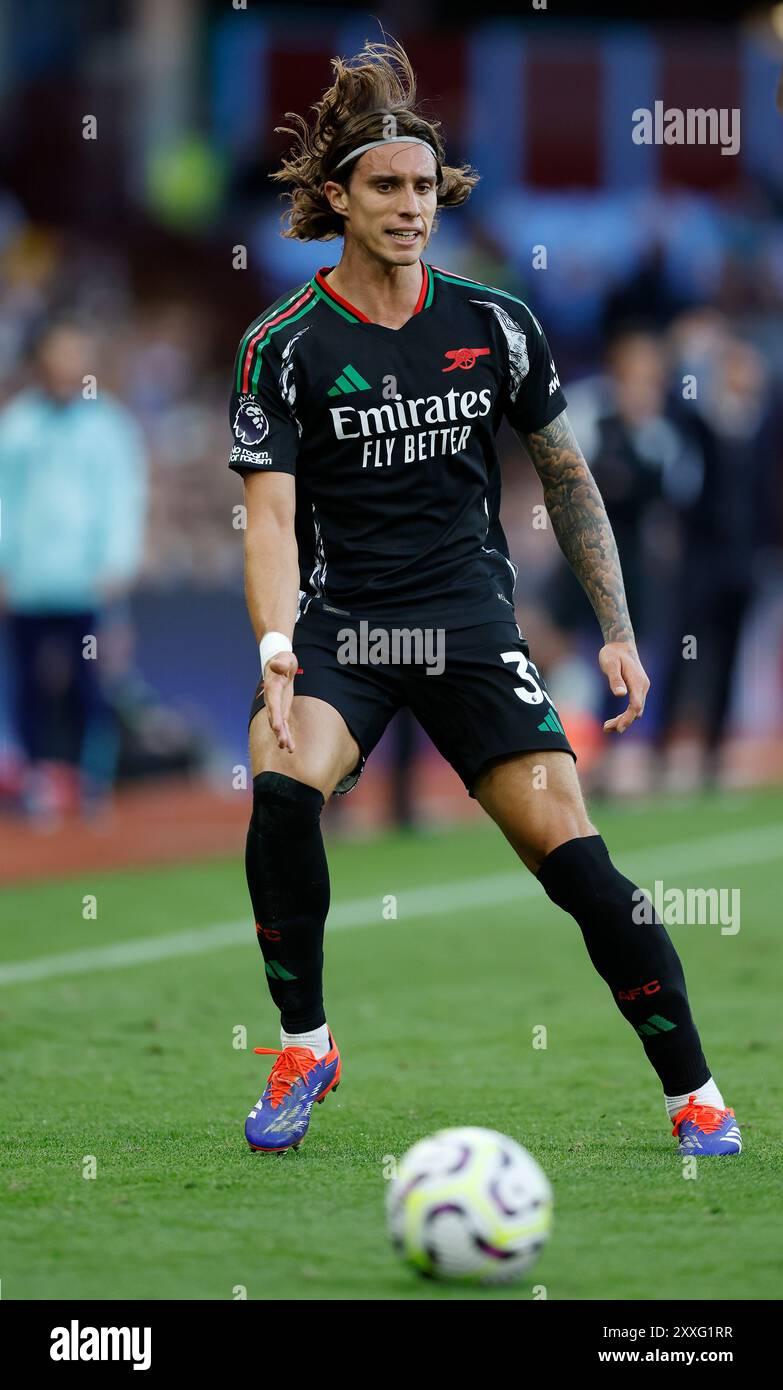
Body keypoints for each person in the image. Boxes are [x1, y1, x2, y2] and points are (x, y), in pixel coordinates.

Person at [228, 40, 741, 1157]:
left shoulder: (497, 324)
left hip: (469, 624)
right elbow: (267, 517)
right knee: (278, 788)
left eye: (425, 188)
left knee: (579, 861)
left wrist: (614, 627)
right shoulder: (283, 345)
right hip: (346, 627)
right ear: (337, 198)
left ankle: (694, 1093)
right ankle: (307, 1043)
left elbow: (567, 476)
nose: (412, 207)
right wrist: (276, 641)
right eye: (387, 188)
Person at [0, 319, 147, 818]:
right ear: (40, 361)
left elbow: (123, 498)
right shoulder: (17, 425)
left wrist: (117, 562)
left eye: (76, 355)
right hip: (29, 584)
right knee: (30, 684)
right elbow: (5, 501)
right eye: (59, 355)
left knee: (94, 685)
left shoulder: (109, 426)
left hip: (88, 584)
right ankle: (38, 780)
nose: (68, 366)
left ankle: (92, 781)